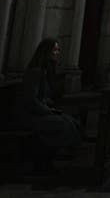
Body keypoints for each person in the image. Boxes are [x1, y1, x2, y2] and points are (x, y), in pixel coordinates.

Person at [19, 38, 82, 172]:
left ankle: (50, 156)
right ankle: (43, 159)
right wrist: (49, 111)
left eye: (57, 49)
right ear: (46, 52)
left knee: (72, 122)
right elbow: (31, 100)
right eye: (55, 50)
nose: (57, 52)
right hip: (31, 116)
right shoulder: (35, 72)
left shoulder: (45, 71)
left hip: (40, 112)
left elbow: (45, 96)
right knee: (63, 124)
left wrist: (49, 105)